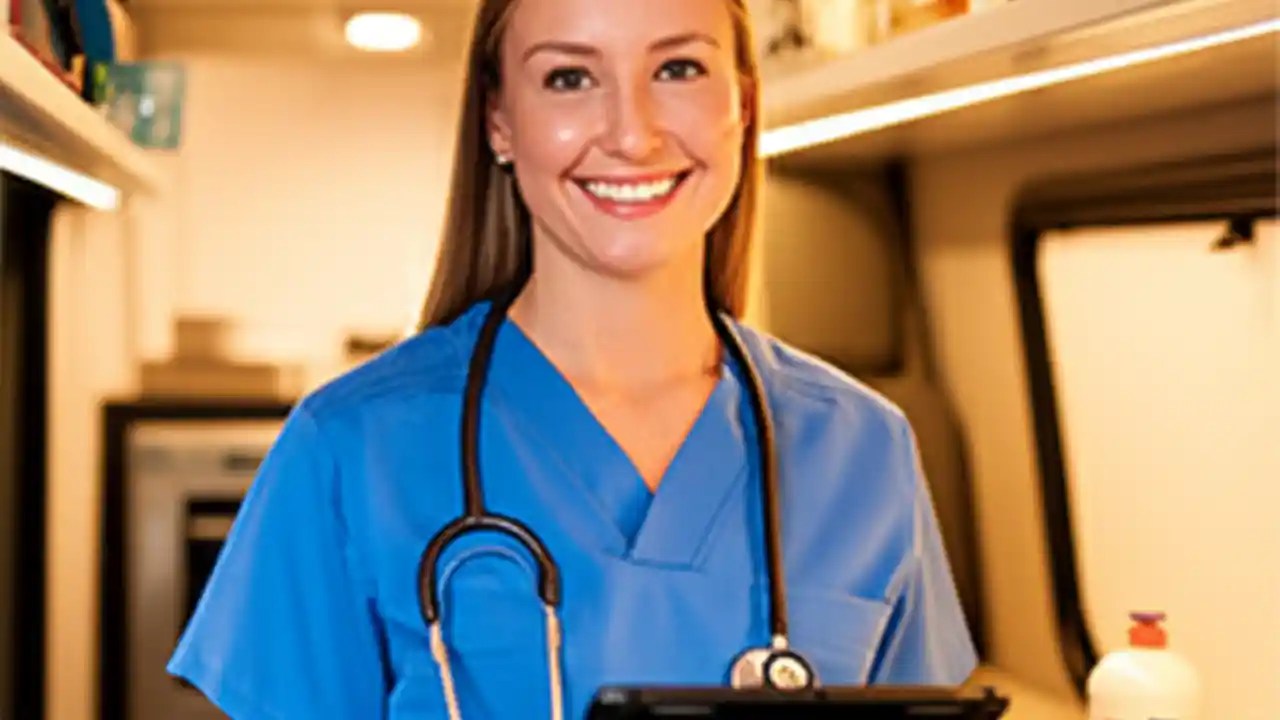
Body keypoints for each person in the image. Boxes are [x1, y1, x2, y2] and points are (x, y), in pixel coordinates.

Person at [166, 0, 978, 717]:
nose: (632, 133)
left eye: (679, 67)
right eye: (568, 78)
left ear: (743, 105)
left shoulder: (864, 450)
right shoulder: (349, 451)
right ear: (499, 120)